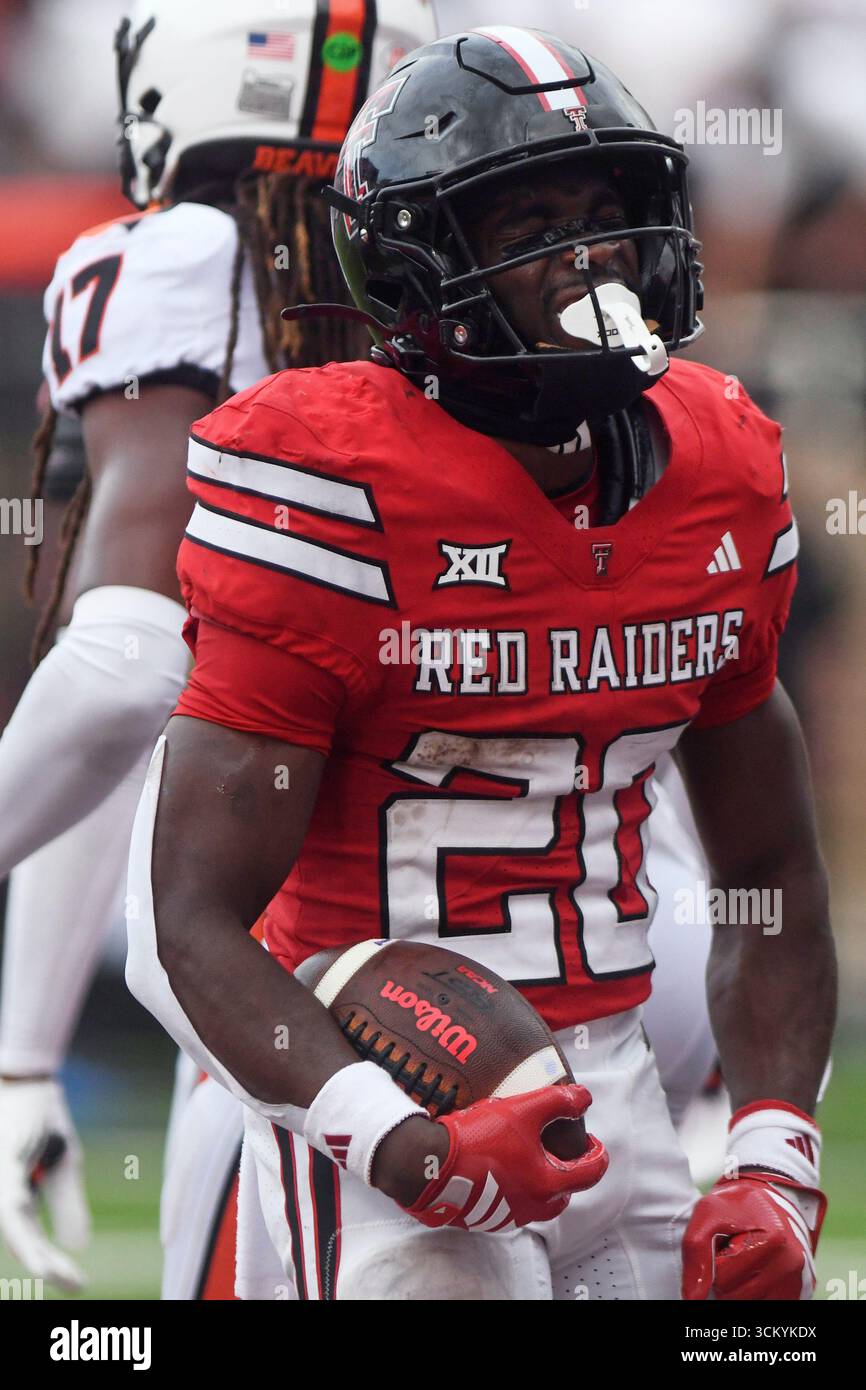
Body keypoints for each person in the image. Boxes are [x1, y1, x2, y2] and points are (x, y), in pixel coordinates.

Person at [126, 27, 836, 1301]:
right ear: (417, 266)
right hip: (379, 1074)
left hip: (613, 1077)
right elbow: (188, 917)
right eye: (529, 219)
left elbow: (768, 865)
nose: (591, 255)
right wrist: (394, 1138)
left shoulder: (715, 465)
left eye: (604, 211)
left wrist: (773, 1145)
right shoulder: (328, 482)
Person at [0, 0, 437, 1298]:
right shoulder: (471, 285)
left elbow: (127, 662)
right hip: (581, 969)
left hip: (287, 994)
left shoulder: (176, 257)